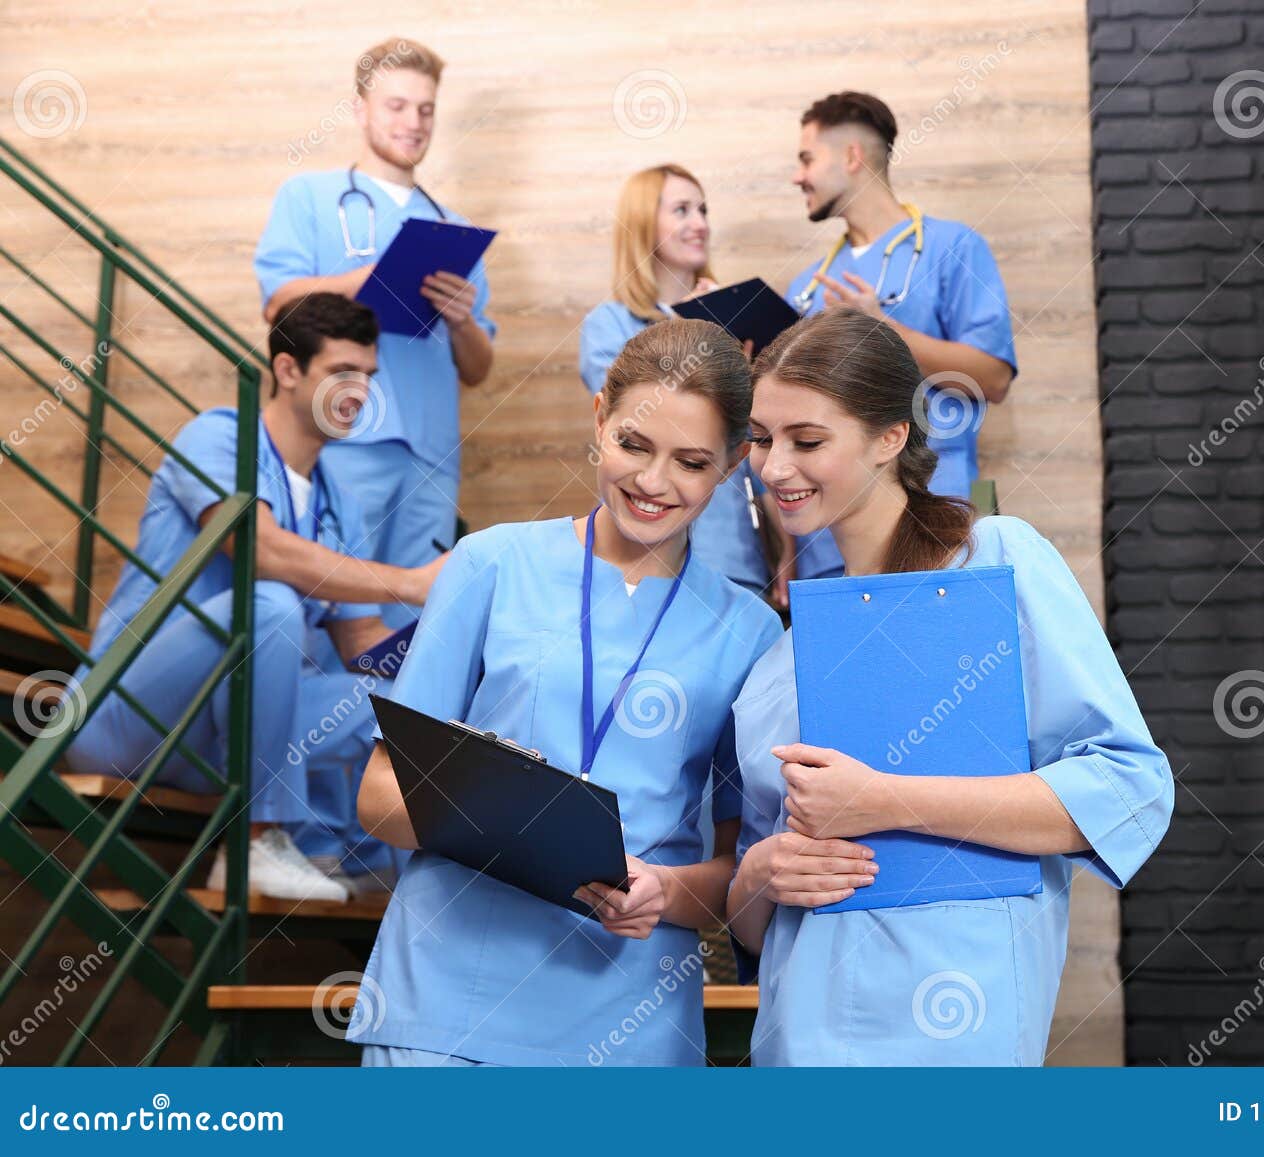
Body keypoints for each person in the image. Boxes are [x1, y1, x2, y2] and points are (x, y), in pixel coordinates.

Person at [725, 309, 1172, 1065]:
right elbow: (751, 919)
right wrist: (759, 872)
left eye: (808, 440)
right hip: (801, 1038)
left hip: (958, 1026)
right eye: (763, 439)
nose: (774, 468)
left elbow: (1127, 786)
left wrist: (884, 800)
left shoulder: (993, 563)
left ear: (890, 436)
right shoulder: (783, 654)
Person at [350, 319, 783, 1066]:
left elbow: (738, 875)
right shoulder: (487, 566)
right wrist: (494, 810)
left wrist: (667, 891)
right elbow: (379, 797)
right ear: (599, 418)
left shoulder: (749, 631)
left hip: (632, 1017)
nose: (652, 483)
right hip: (449, 1000)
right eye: (634, 445)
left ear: (734, 463)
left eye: (692, 461)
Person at [66, 294, 445, 902]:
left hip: (217, 746)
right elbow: (260, 551)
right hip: (124, 716)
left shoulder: (336, 502)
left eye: (368, 377)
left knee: (397, 703)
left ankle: (407, 889)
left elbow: (363, 644)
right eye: (340, 374)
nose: (358, 393)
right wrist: (412, 582)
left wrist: (458, 651)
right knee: (268, 604)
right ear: (288, 370)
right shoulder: (220, 435)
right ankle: (254, 842)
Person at [253, 37, 495, 607]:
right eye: (396, 105)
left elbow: (479, 370)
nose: (413, 122)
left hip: (429, 452)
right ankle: (329, 701)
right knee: (332, 604)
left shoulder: (451, 230)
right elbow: (276, 305)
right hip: (342, 437)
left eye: (426, 109)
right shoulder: (309, 197)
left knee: (412, 617)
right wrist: (356, 283)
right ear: (360, 109)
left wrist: (461, 321)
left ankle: (389, 703)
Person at [781, 91, 1017, 586]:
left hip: (934, 514)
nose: (797, 176)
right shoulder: (807, 287)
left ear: (852, 157)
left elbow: (993, 377)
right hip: (824, 540)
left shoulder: (952, 249)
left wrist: (885, 331)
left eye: (807, 159)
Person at [579, 164, 790, 603]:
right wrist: (699, 337)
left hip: (734, 551)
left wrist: (787, 551)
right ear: (642, 224)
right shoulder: (610, 324)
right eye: (682, 210)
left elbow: (764, 441)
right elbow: (647, 414)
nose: (700, 224)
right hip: (645, 554)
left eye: (703, 210)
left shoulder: (739, 318)